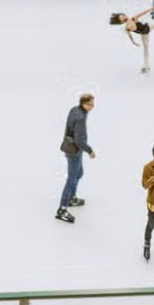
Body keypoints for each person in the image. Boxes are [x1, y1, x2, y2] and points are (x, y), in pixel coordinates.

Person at [56, 94, 96, 223]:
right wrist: (89, 150)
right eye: (90, 104)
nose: (92, 106)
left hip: (73, 148)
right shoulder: (80, 117)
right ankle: (62, 209)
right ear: (83, 103)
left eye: (93, 103)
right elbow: (79, 140)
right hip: (74, 150)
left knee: (79, 173)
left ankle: (71, 198)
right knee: (72, 179)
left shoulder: (75, 109)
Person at [111, 8, 154, 74]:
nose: (125, 17)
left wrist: (152, 8)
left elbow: (143, 13)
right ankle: (146, 66)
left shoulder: (132, 19)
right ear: (121, 22)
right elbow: (130, 36)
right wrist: (133, 42)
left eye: (124, 15)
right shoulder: (127, 28)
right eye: (122, 18)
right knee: (146, 48)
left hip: (148, 27)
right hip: (144, 34)